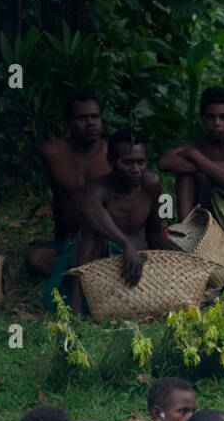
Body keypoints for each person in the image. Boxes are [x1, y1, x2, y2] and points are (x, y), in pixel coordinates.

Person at [72, 129, 173, 304]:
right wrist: (125, 245)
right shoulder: (98, 188)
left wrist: (178, 260)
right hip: (103, 260)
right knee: (90, 232)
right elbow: (91, 212)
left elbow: (155, 230)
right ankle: (78, 297)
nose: (136, 169)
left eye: (141, 162)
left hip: (140, 258)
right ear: (111, 162)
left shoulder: (152, 183)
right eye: (128, 163)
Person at [25, 93, 110, 285]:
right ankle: (90, 270)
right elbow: (60, 199)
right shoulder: (53, 153)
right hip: (74, 240)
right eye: (82, 118)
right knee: (35, 261)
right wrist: (60, 241)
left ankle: (88, 269)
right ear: (67, 123)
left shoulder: (112, 153)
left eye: (95, 117)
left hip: (108, 239)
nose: (90, 123)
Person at [158, 86, 224, 221]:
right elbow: (164, 162)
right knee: (185, 175)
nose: (217, 123)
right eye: (211, 117)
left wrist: (195, 156)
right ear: (202, 118)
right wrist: (219, 165)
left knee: (189, 167)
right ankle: (185, 228)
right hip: (207, 210)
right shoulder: (196, 144)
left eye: (223, 117)